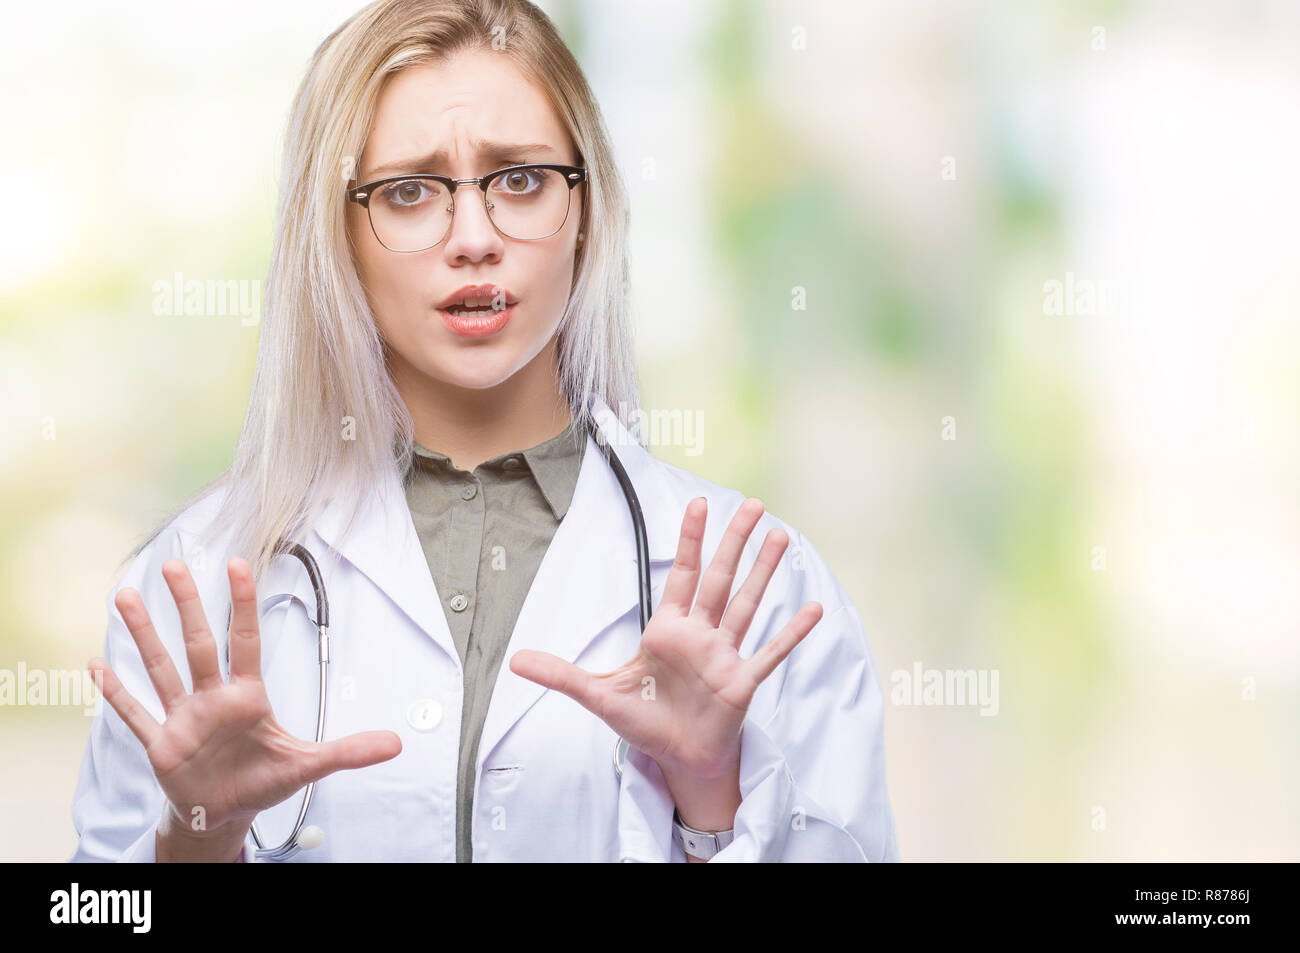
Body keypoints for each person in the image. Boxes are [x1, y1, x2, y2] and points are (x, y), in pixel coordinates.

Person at [69, 0, 900, 863]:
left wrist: (712, 798)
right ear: (337, 231)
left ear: (586, 210)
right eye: (408, 191)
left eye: (520, 179)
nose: (474, 239)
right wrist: (194, 837)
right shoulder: (197, 581)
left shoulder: (763, 589)